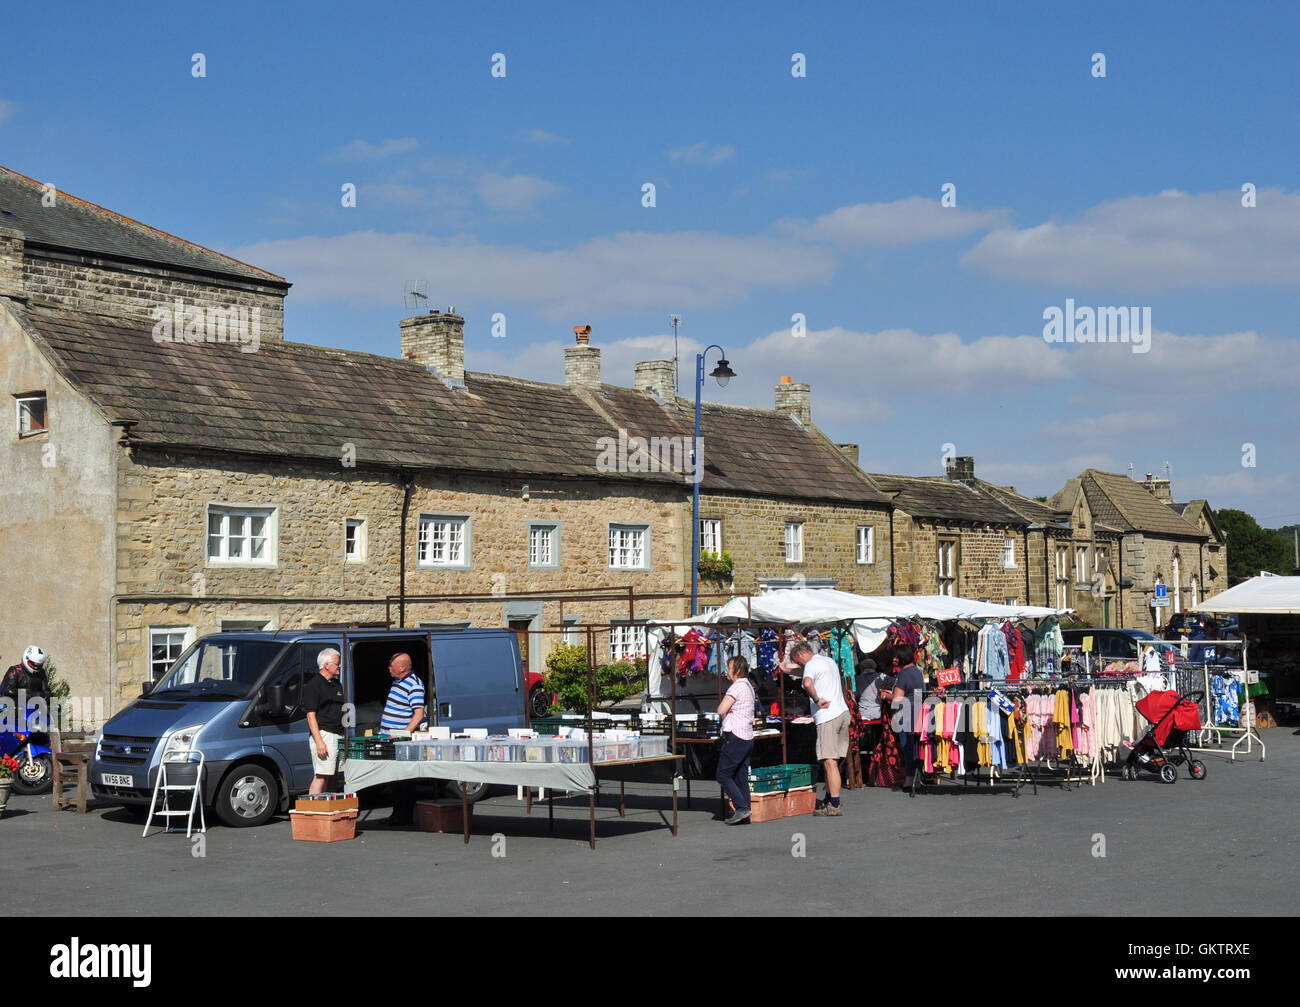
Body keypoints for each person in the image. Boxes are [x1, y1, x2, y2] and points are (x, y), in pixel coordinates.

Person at [789, 641, 850, 817]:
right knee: (834, 761)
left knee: (829, 761)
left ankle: (835, 804)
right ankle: (830, 798)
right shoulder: (828, 661)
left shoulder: (810, 665)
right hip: (842, 712)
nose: (799, 666)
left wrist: (816, 700)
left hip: (828, 716)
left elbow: (807, 682)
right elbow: (808, 674)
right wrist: (789, 670)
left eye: (798, 662)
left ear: (801, 656)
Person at [381, 652, 426, 825]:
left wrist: (403, 733)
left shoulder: (414, 684)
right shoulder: (398, 681)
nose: (389, 668)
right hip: (390, 738)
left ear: (401, 667)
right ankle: (397, 814)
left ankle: (403, 816)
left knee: (403, 780)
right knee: (395, 779)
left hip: (400, 740)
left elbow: (419, 714)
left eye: (391, 665)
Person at [715, 656, 757, 825]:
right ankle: (745, 811)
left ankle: (741, 808)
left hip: (736, 735)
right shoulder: (749, 686)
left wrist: (728, 709)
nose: (726, 670)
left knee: (723, 774)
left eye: (729, 666)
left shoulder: (737, 687)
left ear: (737, 670)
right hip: (747, 736)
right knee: (740, 776)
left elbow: (720, 709)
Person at [302, 648, 345, 795]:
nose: (340, 666)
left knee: (334, 776)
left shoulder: (336, 684)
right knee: (321, 775)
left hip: (339, 734)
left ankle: (329, 811)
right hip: (325, 735)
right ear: (326, 665)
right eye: (337, 663)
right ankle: (312, 811)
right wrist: (319, 741)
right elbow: (310, 716)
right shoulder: (314, 685)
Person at [888, 645, 926, 778]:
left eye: (896, 656)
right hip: (917, 711)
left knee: (908, 747)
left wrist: (886, 695)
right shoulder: (917, 671)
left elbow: (897, 699)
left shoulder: (904, 674)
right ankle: (917, 777)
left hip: (905, 713)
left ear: (902, 658)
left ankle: (910, 779)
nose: (893, 659)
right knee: (916, 747)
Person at [2, 646, 50, 725]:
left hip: (31, 709)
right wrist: (27, 694)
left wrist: (48, 699)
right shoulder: (15, 670)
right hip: (9, 707)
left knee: (48, 722)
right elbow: (7, 690)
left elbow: (46, 691)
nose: (35, 667)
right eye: (33, 664)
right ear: (26, 658)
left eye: (39, 665)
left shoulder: (41, 674)